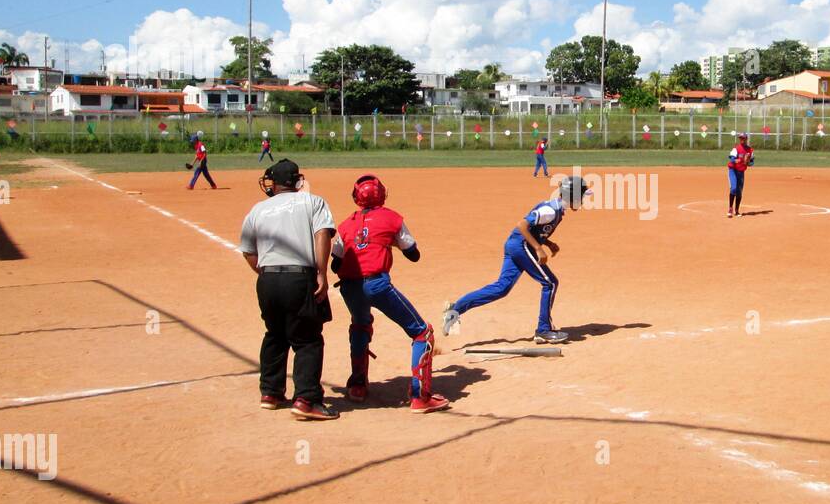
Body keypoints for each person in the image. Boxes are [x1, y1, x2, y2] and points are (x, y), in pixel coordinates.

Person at [333, 175, 449, 413]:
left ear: (356, 197)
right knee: (422, 333)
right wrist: (388, 241)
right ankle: (421, 397)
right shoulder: (392, 217)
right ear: (383, 194)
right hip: (377, 284)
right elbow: (413, 254)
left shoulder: (345, 225)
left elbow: (335, 264)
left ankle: (357, 385)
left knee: (360, 324)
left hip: (349, 286)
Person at [238, 158, 338, 420]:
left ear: (274, 184)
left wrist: (266, 273)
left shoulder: (258, 209)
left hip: (268, 278)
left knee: (275, 334)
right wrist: (321, 271)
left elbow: (248, 251)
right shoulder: (313, 201)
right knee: (307, 339)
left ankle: (270, 393)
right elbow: (322, 234)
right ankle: (307, 399)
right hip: (299, 277)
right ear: (297, 181)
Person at [442, 175, 591, 345]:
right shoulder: (550, 210)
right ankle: (543, 330)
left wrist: (548, 243)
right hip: (521, 246)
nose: (584, 201)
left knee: (502, 288)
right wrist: (538, 248)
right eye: (582, 196)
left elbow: (536, 230)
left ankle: (454, 310)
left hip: (515, 245)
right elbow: (522, 225)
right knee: (550, 283)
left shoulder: (556, 209)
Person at [727, 132, 754, 217]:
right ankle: (730, 208)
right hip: (733, 170)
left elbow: (751, 163)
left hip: (741, 172)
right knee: (734, 188)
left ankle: (737, 210)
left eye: (743, 138)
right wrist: (735, 160)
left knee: (739, 192)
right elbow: (731, 159)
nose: (741, 140)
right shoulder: (736, 148)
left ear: (746, 139)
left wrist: (748, 162)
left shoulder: (750, 150)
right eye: (740, 138)